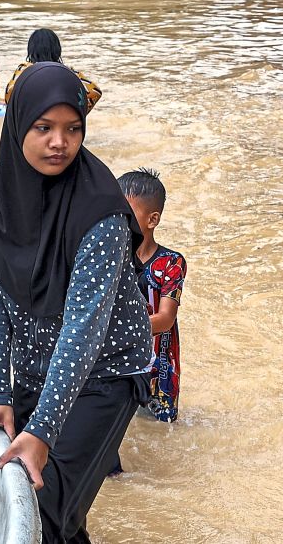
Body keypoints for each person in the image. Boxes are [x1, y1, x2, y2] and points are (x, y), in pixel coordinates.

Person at [0, 62, 152, 543]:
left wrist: (43, 430)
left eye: (73, 129)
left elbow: (84, 329)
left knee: (39, 513)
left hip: (104, 375)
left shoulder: (102, 209)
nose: (60, 143)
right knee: (64, 518)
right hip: (34, 367)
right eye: (43, 128)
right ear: (17, 126)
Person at [118, 168, 187, 423]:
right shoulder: (112, 258)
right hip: (120, 359)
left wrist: (117, 330)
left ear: (152, 219)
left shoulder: (171, 263)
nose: (118, 220)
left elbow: (166, 319)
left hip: (161, 365)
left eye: (126, 213)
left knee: (161, 427)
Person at [3, 28, 102, 113]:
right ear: (57, 50)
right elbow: (95, 92)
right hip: (61, 118)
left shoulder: (25, 70)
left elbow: (10, 93)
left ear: (31, 50)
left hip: (34, 121)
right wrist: (77, 113)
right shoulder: (68, 72)